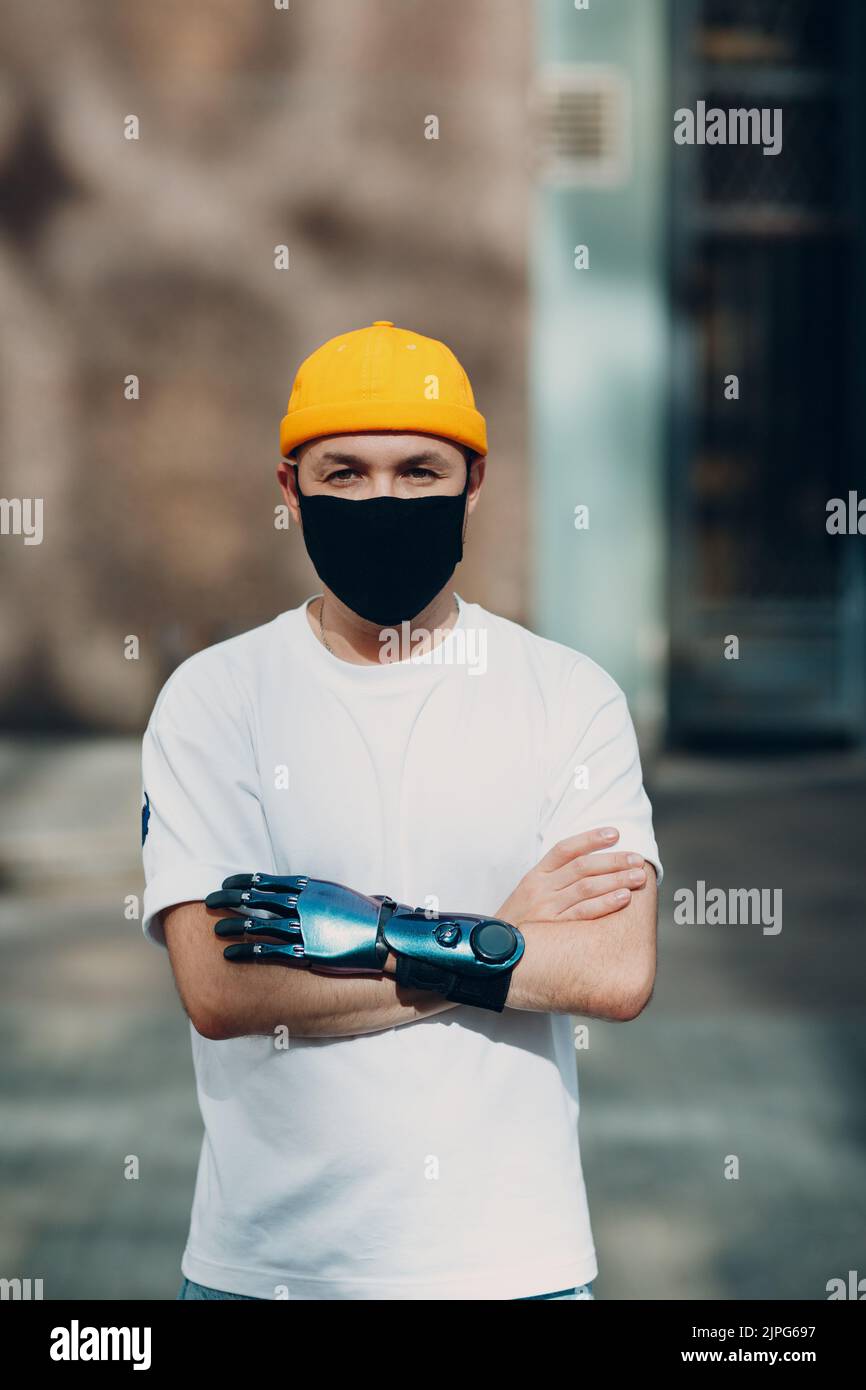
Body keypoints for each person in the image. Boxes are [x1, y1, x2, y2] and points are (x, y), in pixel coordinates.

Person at [140, 319, 663, 1301]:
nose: (382, 499)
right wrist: (504, 939)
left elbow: (613, 969)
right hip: (268, 1272)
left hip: (517, 1268)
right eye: (345, 473)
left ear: (473, 482)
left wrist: (355, 932)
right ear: (289, 489)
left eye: (418, 470)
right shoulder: (216, 700)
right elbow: (222, 992)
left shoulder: (569, 696)